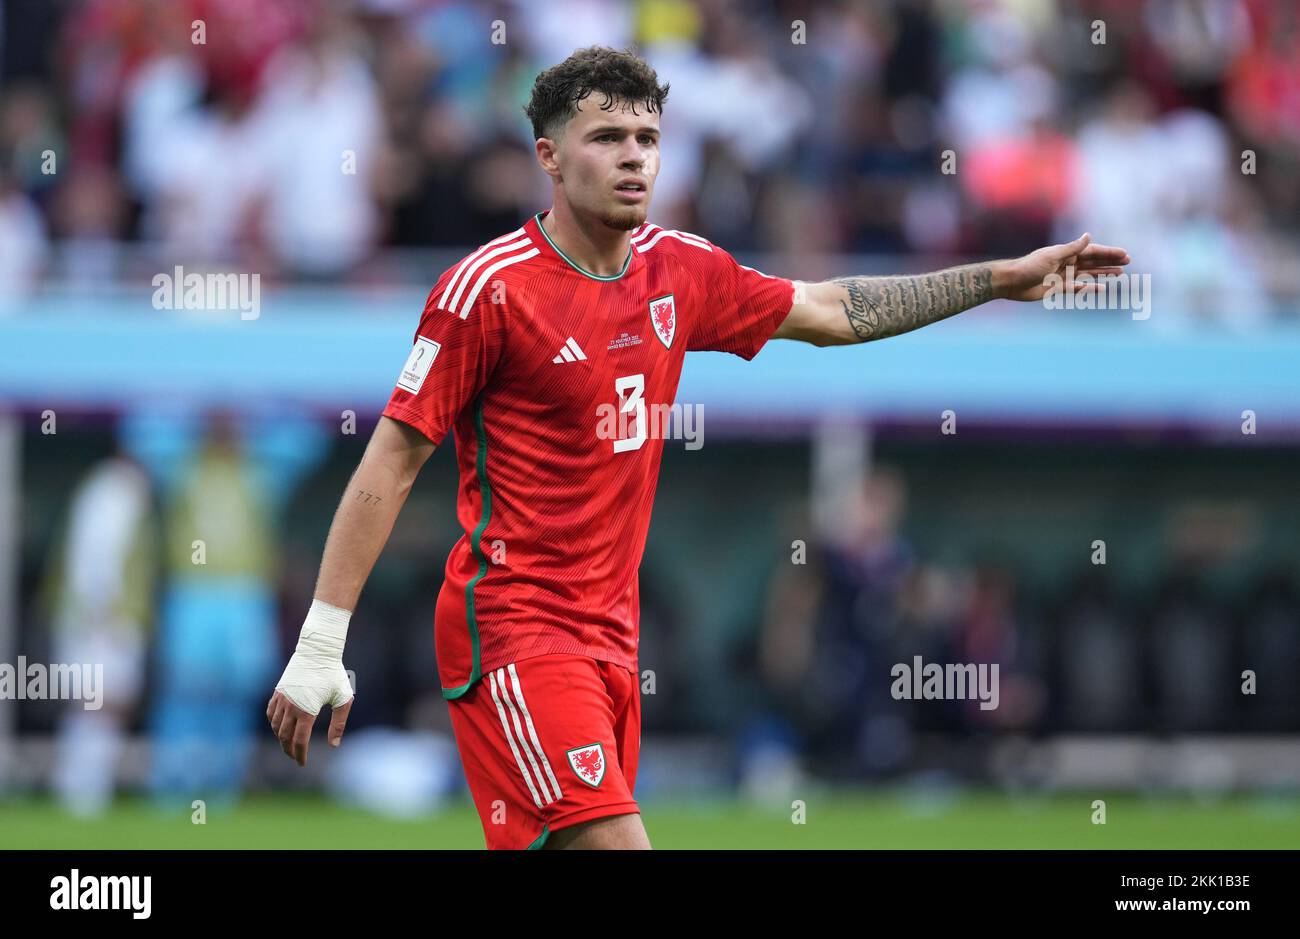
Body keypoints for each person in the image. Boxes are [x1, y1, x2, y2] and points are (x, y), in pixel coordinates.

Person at [266, 45, 1130, 850]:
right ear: (550, 157)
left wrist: (999, 278)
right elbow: (390, 460)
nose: (635, 155)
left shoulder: (679, 269)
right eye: (607, 137)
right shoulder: (487, 292)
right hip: (516, 631)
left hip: (613, 641)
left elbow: (834, 311)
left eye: (647, 136)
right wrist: (320, 641)